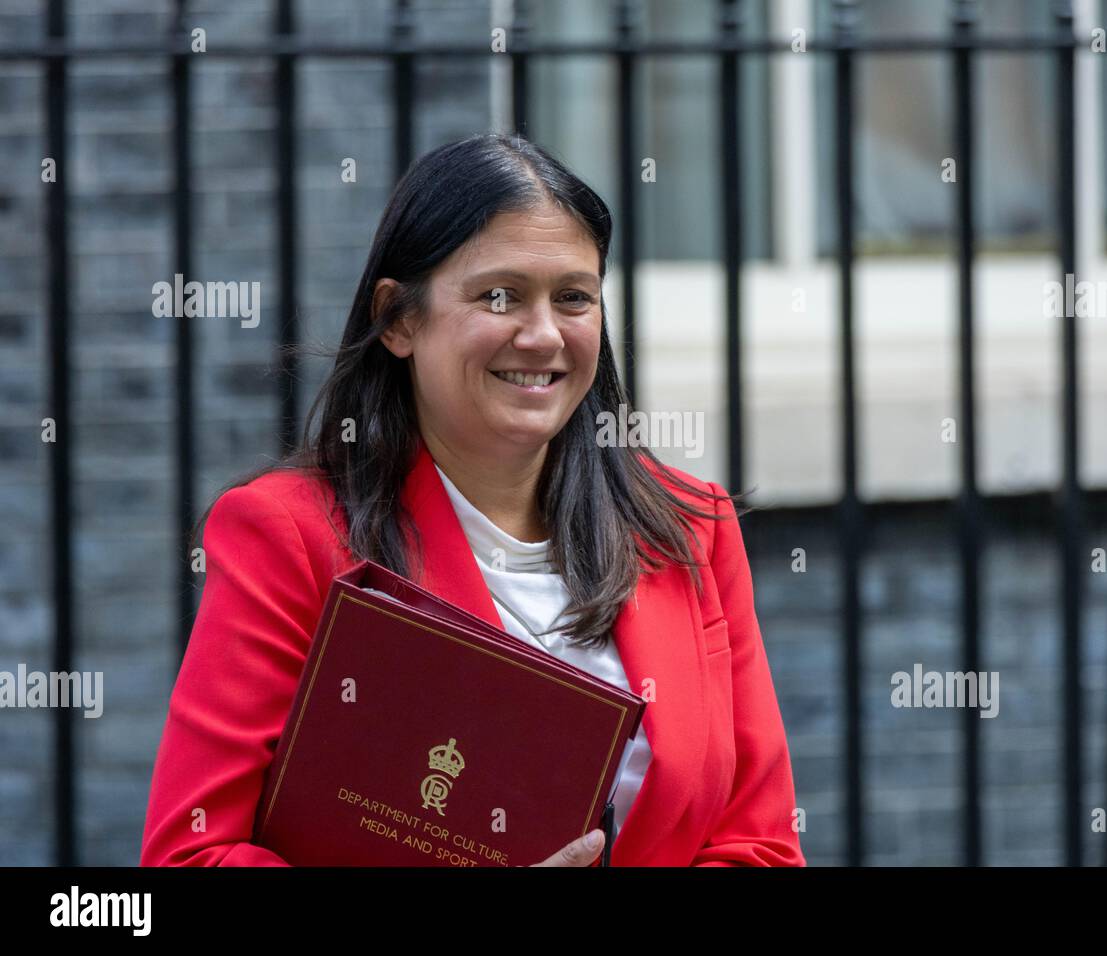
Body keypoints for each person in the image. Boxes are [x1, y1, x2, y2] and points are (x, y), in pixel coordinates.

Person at [139, 132, 804, 867]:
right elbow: (192, 853)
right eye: (501, 296)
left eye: (574, 298)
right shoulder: (289, 535)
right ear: (398, 319)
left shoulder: (688, 528)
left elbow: (760, 843)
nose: (544, 334)